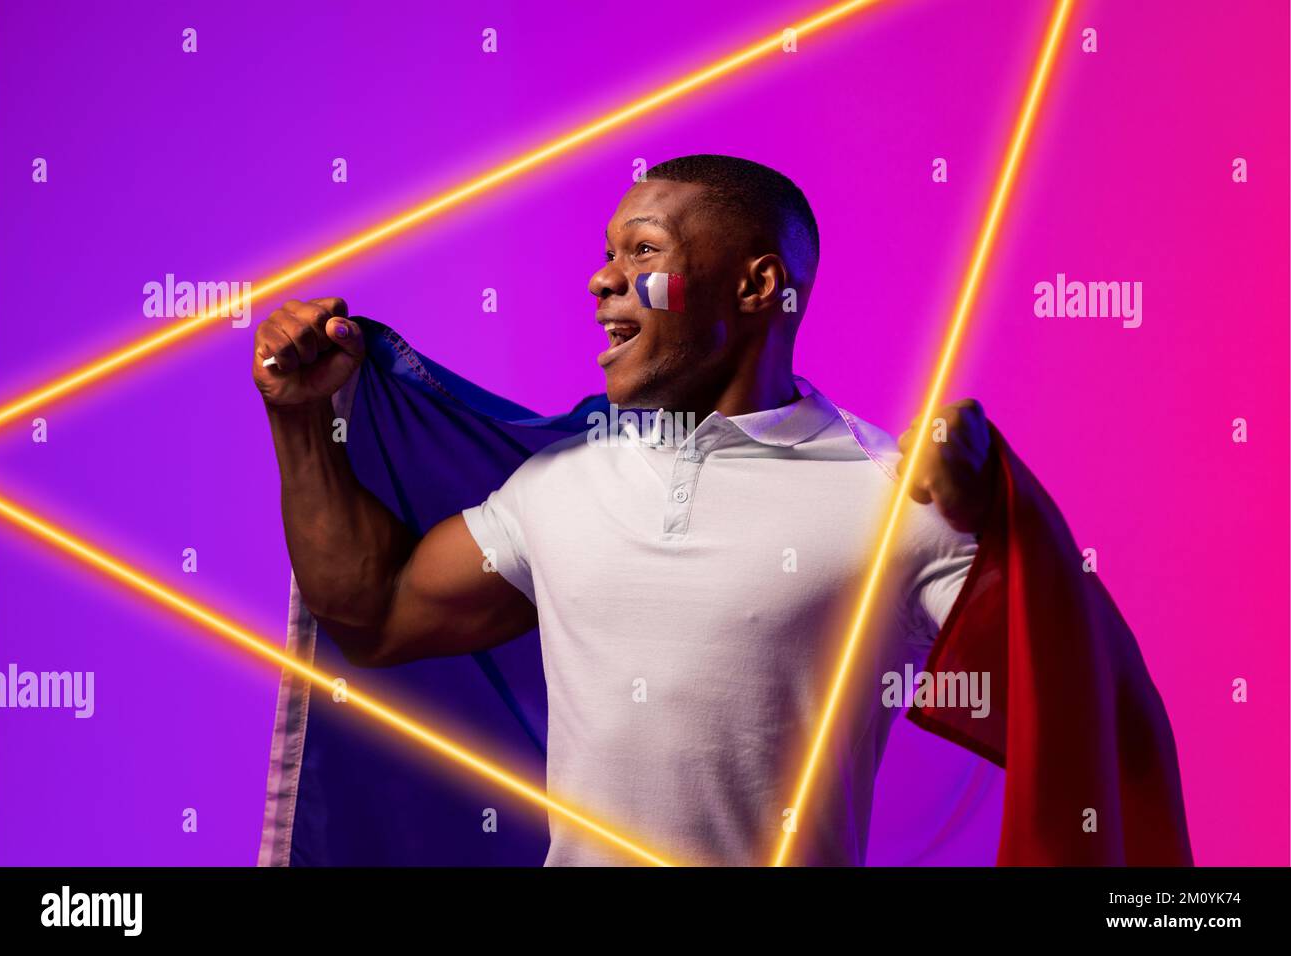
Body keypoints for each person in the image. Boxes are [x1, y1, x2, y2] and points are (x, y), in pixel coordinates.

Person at [253, 155, 1002, 866]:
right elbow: (375, 616)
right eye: (609, 253)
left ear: (756, 286)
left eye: (643, 252)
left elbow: (1084, 710)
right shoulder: (559, 481)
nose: (602, 279)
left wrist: (1004, 513)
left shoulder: (896, 496)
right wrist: (303, 419)